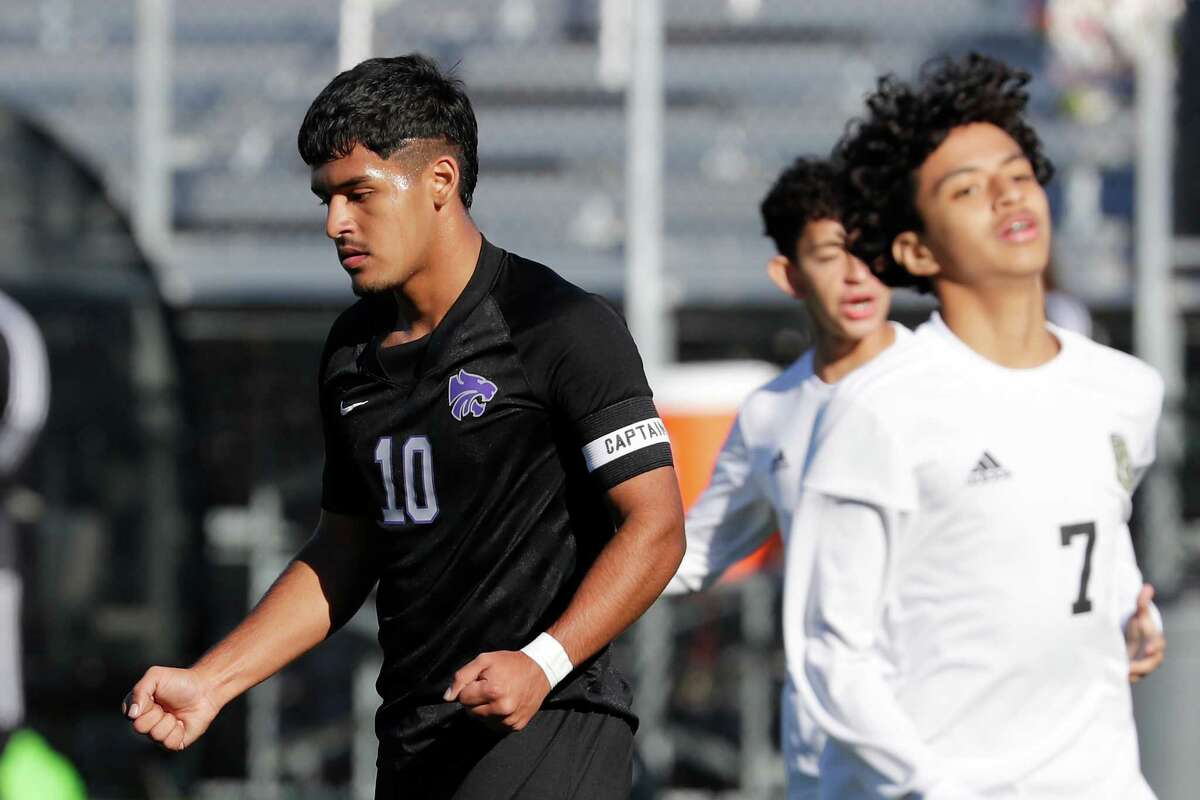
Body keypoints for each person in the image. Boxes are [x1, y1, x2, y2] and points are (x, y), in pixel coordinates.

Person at [124, 54, 685, 799]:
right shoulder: (352, 353)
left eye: (359, 194)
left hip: (549, 726)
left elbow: (656, 527)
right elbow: (344, 552)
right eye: (325, 198)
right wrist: (213, 681)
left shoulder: (559, 327)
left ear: (440, 183)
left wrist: (542, 662)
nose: (336, 223)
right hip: (415, 742)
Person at [785, 53, 1166, 799]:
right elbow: (831, 655)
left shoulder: (1126, 389)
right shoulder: (876, 410)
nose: (1005, 195)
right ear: (915, 250)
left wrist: (1125, 613)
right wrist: (934, 785)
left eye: (1018, 174)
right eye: (967, 188)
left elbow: (1091, 526)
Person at [660, 157, 906, 799]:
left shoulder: (950, 384)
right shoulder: (772, 412)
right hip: (824, 749)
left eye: (871, 249)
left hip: (949, 725)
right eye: (831, 254)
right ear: (789, 275)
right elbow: (690, 554)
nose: (858, 273)